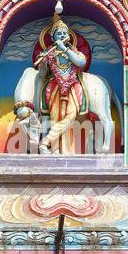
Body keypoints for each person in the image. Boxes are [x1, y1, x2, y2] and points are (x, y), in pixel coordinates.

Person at [35, 17, 88, 156]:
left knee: (70, 117)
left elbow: (81, 63)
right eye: (59, 34)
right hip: (54, 88)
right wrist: (43, 63)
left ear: (69, 36)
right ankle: (55, 150)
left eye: (65, 33)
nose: (62, 36)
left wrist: (64, 49)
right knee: (55, 118)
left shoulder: (75, 52)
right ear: (53, 37)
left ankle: (46, 141)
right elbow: (43, 73)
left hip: (73, 87)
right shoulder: (49, 53)